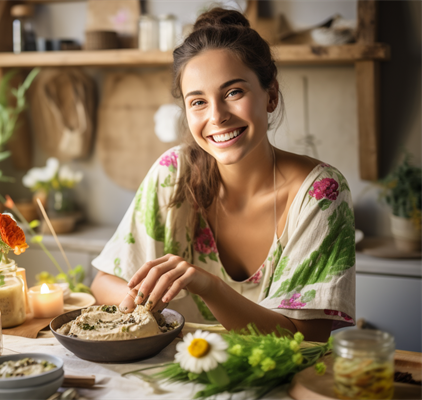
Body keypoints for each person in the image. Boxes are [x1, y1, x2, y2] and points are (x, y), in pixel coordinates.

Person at [90, 8, 355, 342]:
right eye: (198, 102)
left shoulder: (321, 192)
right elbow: (103, 283)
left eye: (233, 93)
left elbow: (307, 339)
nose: (217, 116)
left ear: (270, 95)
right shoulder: (174, 172)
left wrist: (207, 288)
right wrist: (163, 310)